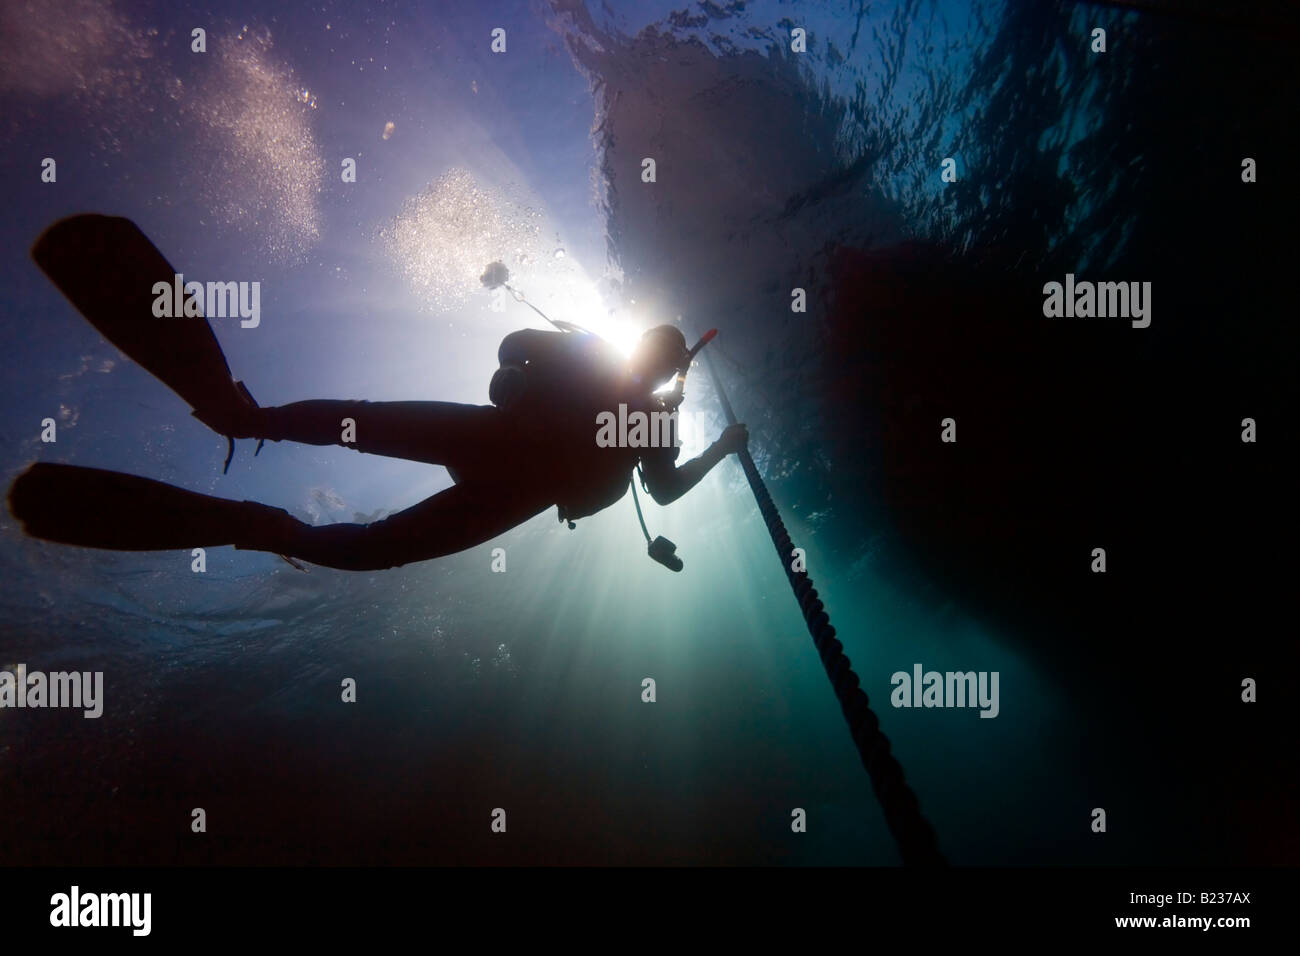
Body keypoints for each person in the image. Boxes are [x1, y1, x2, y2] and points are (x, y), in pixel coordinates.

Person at [10, 323, 748, 571]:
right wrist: (521, 376)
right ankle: (249, 429)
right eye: (657, 356)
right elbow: (666, 491)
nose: (650, 366)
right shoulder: (624, 385)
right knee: (363, 442)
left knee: (376, 527)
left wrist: (716, 447)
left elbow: (662, 489)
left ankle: (260, 516)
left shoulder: (636, 401)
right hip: (503, 459)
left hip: (505, 473)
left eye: (657, 360)